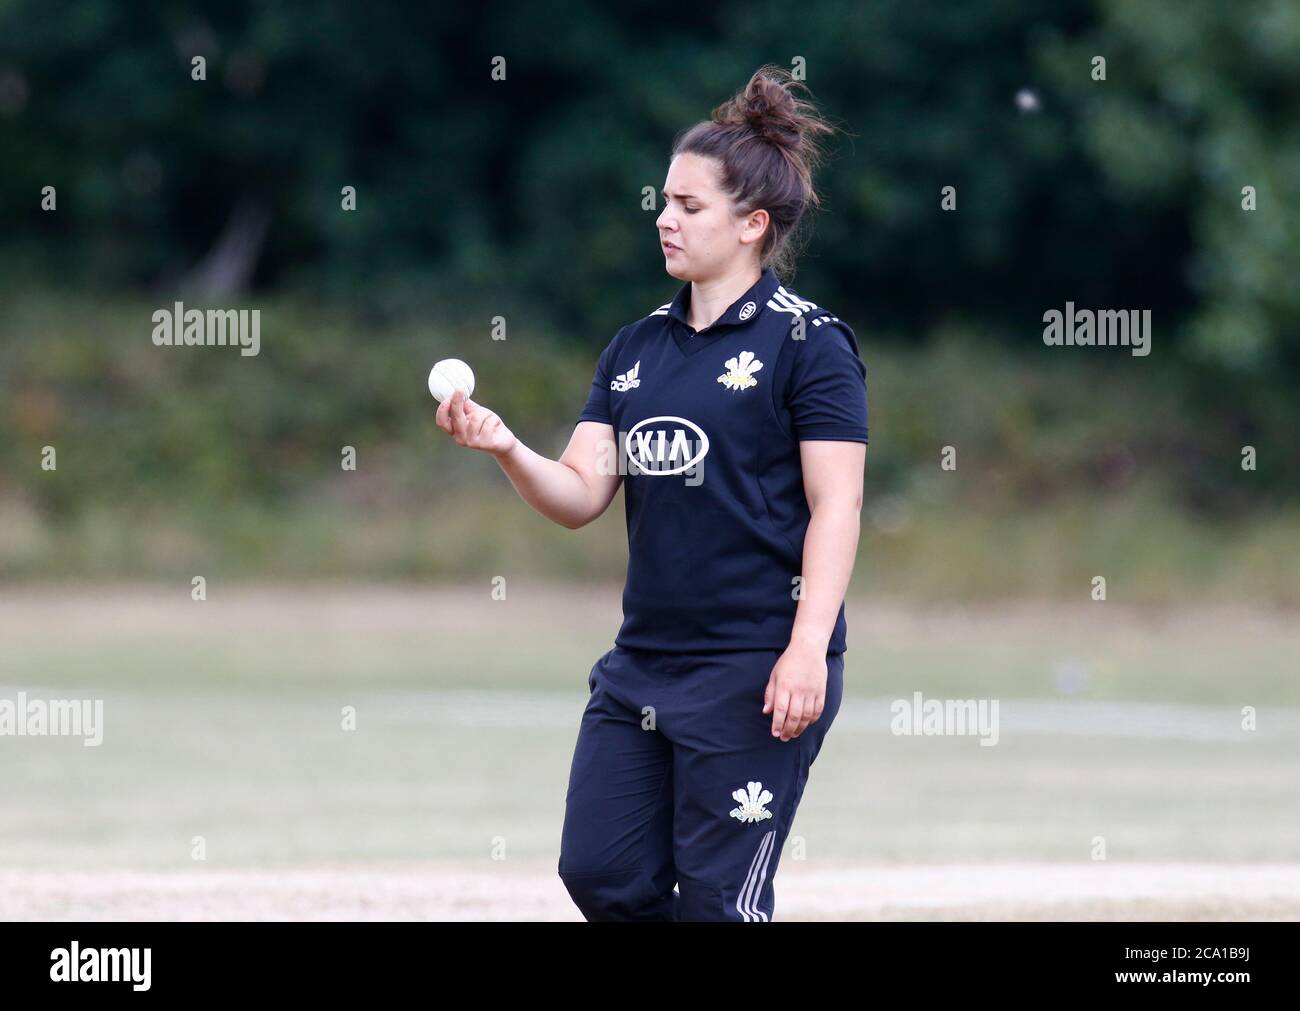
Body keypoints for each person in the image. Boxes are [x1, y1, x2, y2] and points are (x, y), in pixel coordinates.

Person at [435, 65, 868, 921]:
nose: (666, 218)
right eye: (663, 201)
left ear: (753, 225)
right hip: (643, 664)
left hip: (757, 665)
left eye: (690, 205)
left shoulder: (811, 344)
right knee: (600, 873)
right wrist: (507, 446)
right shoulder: (636, 349)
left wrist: (806, 646)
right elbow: (579, 494)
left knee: (718, 903)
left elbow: (838, 506)